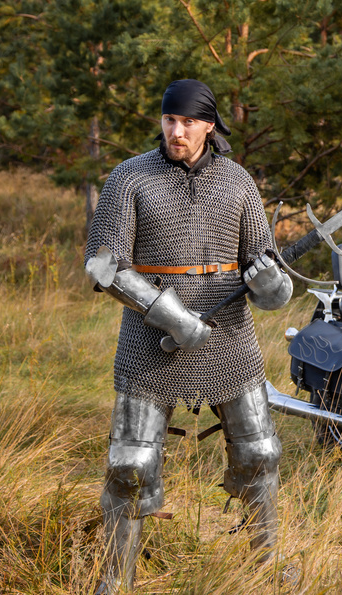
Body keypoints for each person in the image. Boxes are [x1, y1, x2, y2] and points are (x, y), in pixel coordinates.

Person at [83, 79, 292, 594]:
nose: (177, 132)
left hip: (229, 341)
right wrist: (168, 313)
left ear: (209, 125)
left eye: (188, 122)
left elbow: (267, 275)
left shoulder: (238, 182)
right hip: (150, 343)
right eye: (169, 120)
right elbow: (104, 265)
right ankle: (115, 580)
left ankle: (265, 568)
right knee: (130, 465)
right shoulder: (130, 178)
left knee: (260, 454)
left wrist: (272, 285)